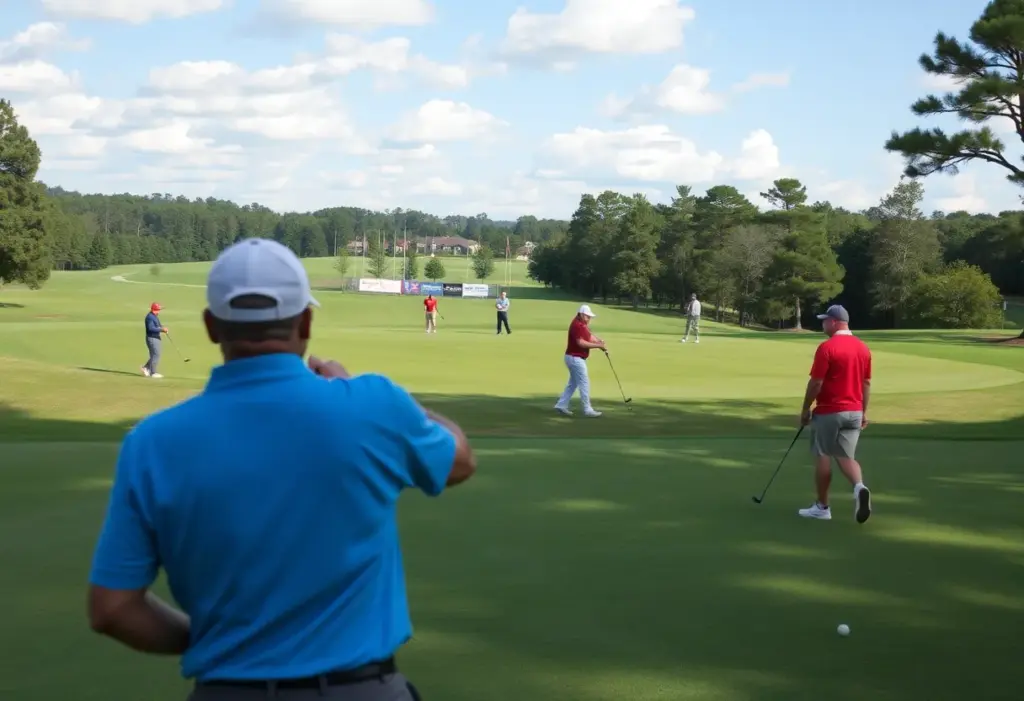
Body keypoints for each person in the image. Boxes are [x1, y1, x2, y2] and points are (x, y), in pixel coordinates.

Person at [87, 237, 477, 701]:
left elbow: (112, 608)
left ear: (212, 326)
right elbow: (458, 460)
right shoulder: (372, 405)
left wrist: (222, 640)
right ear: (306, 321)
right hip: (363, 690)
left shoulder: (151, 442)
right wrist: (375, 396)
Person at [798, 304, 872, 524]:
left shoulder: (827, 347)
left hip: (829, 411)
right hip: (855, 411)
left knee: (822, 455)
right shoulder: (863, 348)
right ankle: (859, 487)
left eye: (825, 320)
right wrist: (863, 411)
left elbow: (816, 383)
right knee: (845, 456)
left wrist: (805, 409)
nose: (822, 323)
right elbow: (866, 383)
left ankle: (822, 507)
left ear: (834, 322)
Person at [554, 304, 605, 417]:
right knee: (584, 382)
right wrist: (598, 346)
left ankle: (561, 405)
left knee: (573, 383)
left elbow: (589, 336)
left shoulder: (582, 324)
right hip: (575, 358)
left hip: (574, 357)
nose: (589, 318)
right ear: (581, 314)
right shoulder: (577, 325)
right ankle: (587, 409)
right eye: (587, 316)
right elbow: (580, 343)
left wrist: (598, 342)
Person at [142, 302, 167, 378]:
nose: (159, 311)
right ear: (154, 310)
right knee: (156, 355)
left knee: (155, 355)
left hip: (155, 337)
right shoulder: (150, 317)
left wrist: (162, 328)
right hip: (152, 338)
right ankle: (153, 372)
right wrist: (161, 330)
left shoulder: (154, 316)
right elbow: (151, 328)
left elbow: (158, 325)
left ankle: (146, 368)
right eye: (158, 309)